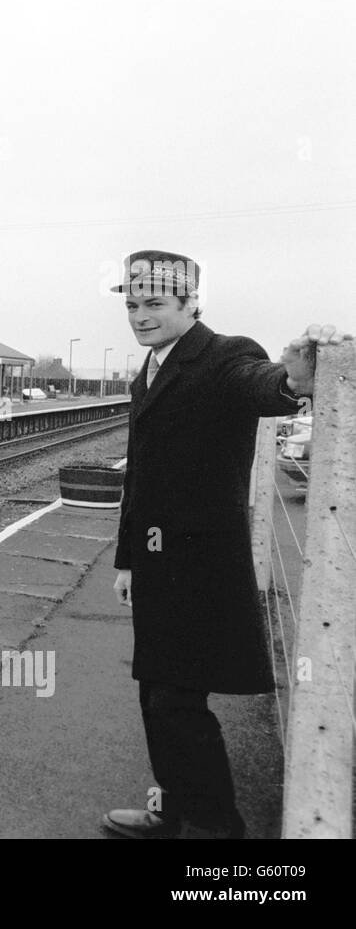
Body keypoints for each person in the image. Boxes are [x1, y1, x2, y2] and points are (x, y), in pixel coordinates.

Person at [103, 250, 348, 839]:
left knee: (176, 703)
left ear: (192, 304)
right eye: (133, 304)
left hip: (201, 564)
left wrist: (297, 380)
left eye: (155, 304)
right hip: (158, 562)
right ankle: (170, 809)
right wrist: (128, 559)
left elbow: (260, 386)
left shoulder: (224, 355)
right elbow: (143, 477)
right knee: (154, 692)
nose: (139, 316)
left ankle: (220, 836)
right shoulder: (153, 367)